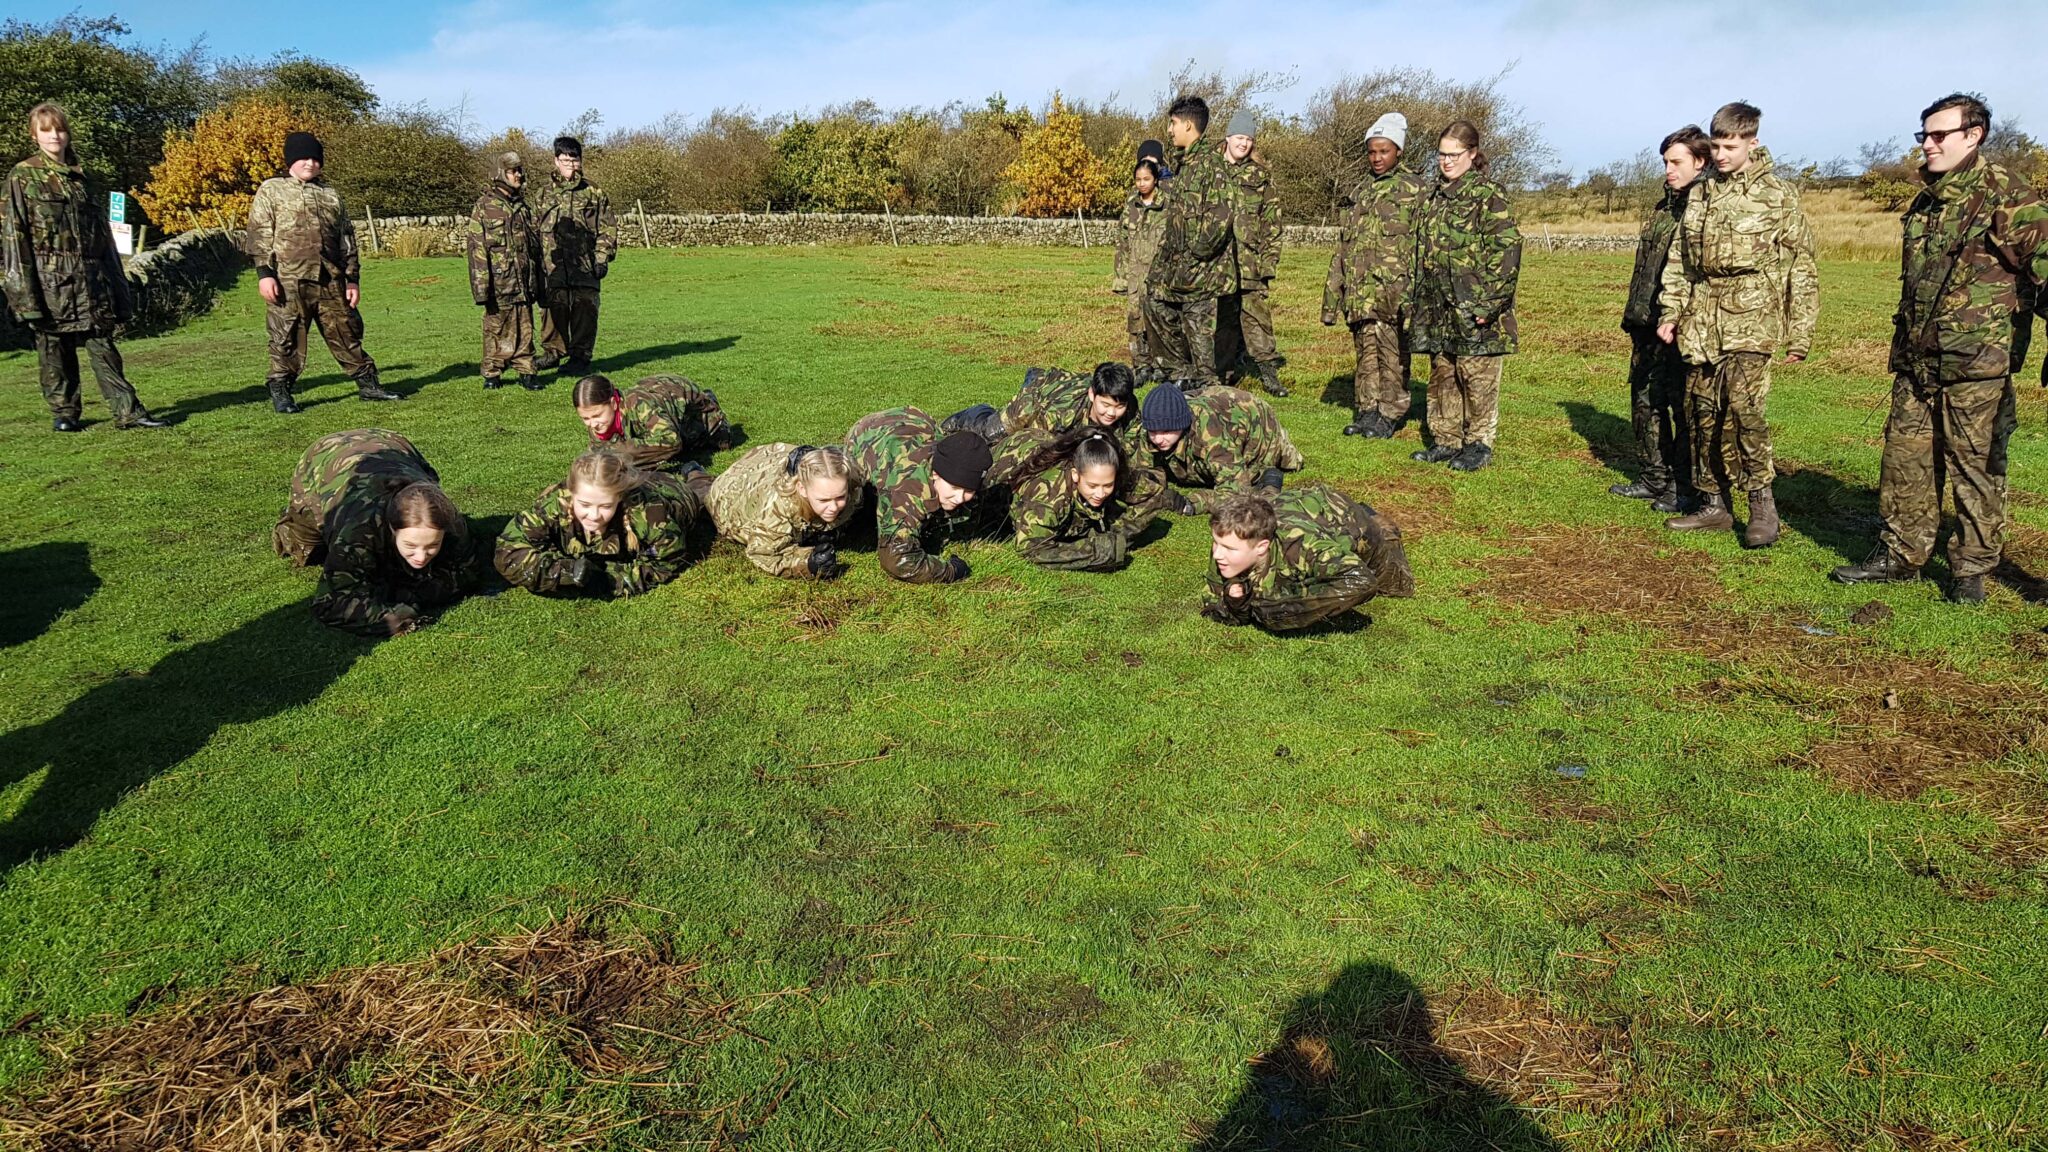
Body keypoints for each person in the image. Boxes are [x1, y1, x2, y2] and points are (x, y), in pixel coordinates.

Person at [1833, 93, 2048, 603]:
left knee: (1976, 470)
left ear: (1973, 135)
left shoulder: (2010, 196)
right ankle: (1900, 554)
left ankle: (1971, 570)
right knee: (1904, 462)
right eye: (1923, 135)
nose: (1926, 145)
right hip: (1917, 360)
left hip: (1977, 364)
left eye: (1938, 135)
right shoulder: (1928, 200)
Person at [1657, 102, 1819, 547]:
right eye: (1716, 146)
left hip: (1752, 319)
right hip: (1701, 321)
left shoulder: (1778, 195)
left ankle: (1762, 506)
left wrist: (1800, 332)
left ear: (1753, 142)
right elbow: (1682, 261)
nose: (1721, 155)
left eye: (1731, 146)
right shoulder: (1701, 194)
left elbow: (1801, 266)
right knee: (1702, 414)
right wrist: (1671, 312)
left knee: (1746, 415)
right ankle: (1713, 504)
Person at [2, 102, 166, 432]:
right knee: (54, 349)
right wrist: (24, 296)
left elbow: (104, 238)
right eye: (46, 130)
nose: (54, 136)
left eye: (59, 129)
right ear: (34, 135)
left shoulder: (82, 179)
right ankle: (64, 412)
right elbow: (12, 237)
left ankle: (128, 411)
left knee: (103, 347)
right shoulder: (22, 176)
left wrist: (118, 287)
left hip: (92, 281)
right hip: (50, 282)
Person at [246, 131, 399, 413]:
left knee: (346, 330)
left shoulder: (331, 195)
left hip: (330, 278)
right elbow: (259, 233)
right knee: (285, 335)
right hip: (288, 278)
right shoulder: (272, 190)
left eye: (316, 159)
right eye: (304, 157)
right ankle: (281, 391)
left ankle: (369, 385)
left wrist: (352, 279)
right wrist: (265, 273)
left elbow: (346, 239)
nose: (310, 163)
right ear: (291, 160)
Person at [273, 428, 471, 636]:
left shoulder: (450, 520)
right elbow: (331, 604)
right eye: (410, 545)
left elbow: (466, 572)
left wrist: (409, 593)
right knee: (309, 550)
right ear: (392, 528)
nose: (421, 557)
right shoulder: (358, 530)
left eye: (432, 545)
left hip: (391, 442)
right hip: (325, 456)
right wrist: (398, 616)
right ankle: (290, 523)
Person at [1410, 120, 1521, 474]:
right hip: (1437, 306)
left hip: (1476, 306)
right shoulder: (1433, 197)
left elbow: (1507, 250)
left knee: (1477, 375)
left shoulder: (1488, 195)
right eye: (1442, 154)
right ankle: (1446, 440)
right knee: (1443, 373)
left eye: (1454, 155)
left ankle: (1478, 444)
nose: (1446, 161)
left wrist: (1490, 303)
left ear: (1472, 154)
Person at [1614, 126, 1710, 513]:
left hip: (1680, 325)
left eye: (1676, 162)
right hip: (1646, 321)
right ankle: (1654, 476)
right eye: (1665, 162)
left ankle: (1683, 486)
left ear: (1700, 162)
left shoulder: (1705, 208)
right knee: (1645, 401)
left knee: (1681, 408)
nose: (1669, 170)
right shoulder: (1663, 208)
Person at [1324, 112, 1423, 440]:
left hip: (1394, 292)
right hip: (1360, 290)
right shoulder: (1361, 190)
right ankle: (1367, 410)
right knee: (1365, 353)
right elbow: (1344, 245)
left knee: (1391, 355)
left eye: (1384, 151)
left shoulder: (1416, 189)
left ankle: (1390, 413)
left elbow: (1424, 244)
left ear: (1399, 151)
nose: (1377, 157)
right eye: (1372, 151)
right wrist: (1333, 295)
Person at [1203, 486, 1413, 632]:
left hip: (1346, 518)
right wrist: (1236, 603)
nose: (1217, 554)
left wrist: (1278, 612)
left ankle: (1378, 521)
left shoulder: (1303, 546)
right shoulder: (1228, 542)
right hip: (1295, 508)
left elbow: (1361, 581)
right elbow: (1213, 605)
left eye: (1228, 548)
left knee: (1398, 586)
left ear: (1261, 547)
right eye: (1216, 543)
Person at [495, 449, 702, 597]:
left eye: (605, 506)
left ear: (619, 498)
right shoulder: (554, 505)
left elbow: (666, 562)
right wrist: (564, 572)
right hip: (636, 480)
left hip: (674, 492)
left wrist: (606, 581)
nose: (594, 516)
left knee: (703, 496)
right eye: (584, 504)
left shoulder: (650, 514)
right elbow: (508, 551)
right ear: (571, 492)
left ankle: (696, 473)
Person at [1143, 95, 1238, 389]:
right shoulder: (1186, 165)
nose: (1169, 130)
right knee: (1154, 303)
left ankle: (1209, 395)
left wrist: (1196, 256)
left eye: (1172, 123)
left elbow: (1221, 217)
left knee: (1201, 345)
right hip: (1179, 269)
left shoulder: (1211, 165)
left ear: (1187, 125)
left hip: (1202, 274)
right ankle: (1181, 374)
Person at [844, 406, 993, 583]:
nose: (960, 498)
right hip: (867, 433)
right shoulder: (907, 488)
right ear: (935, 474)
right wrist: (951, 571)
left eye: (968, 491)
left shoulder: (958, 467)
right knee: (859, 506)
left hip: (916, 421)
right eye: (954, 487)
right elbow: (898, 560)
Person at [1002, 426, 1178, 571]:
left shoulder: (1110, 469)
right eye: (1092, 486)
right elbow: (1030, 547)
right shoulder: (1049, 496)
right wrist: (1097, 551)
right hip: (1013, 452)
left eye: (1108, 485)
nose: (1100, 493)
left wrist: (1117, 535)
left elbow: (1154, 491)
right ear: (1075, 475)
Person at [1137, 382, 1303, 514]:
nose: (1158, 439)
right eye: (1153, 431)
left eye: (1166, 431)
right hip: (1212, 398)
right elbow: (1142, 471)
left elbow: (1235, 492)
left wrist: (1192, 503)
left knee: (1284, 463)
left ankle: (1270, 478)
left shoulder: (1212, 436)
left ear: (1182, 425)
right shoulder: (1149, 429)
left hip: (1256, 420)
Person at [707, 443, 864, 579]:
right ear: (802, 489)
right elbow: (763, 553)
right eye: (823, 500)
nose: (834, 507)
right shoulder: (779, 507)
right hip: (728, 494)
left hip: (771, 456)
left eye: (840, 497)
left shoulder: (851, 488)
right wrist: (809, 563)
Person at [1215, 110, 1287, 397]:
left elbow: (1272, 223)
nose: (1244, 144)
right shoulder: (1210, 170)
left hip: (1250, 262)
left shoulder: (1260, 176)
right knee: (1221, 320)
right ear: (1228, 137)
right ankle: (1221, 373)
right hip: (1217, 263)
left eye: (1248, 139)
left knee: (1257, 318)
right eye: (1239, 137)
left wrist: (1268, 262)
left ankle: (1269, 374)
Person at [534, 135, 616, 375]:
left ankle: (580, 357)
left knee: (585, 310)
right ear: (556, 161)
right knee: (552, 310)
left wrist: (601, 257)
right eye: (565, 159)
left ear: (580, 161)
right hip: (553, 267)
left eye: (574, 159)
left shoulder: (594, 192)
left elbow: (608, 228)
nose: (570, 164)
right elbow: (534, 231)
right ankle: (553, 353)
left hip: (585, 265)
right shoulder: (542, 194)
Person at [467, 151, 542, 390]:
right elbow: (477, 250)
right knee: (495, 328)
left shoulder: (522, 207)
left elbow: (534, 248)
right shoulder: (484, 207)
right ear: (500, 174)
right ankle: (492, 374)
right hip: (498, 282)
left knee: (525, 326)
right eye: (513, 171)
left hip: (523, 280)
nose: (518, 175)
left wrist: (538, 281)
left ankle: (527, 372)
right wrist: (481, 289)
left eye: (520, 170)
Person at [572, 373, 736, 471]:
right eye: (585, 418)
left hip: (692, 410)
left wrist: (621, 451)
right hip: (663, 403)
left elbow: (671, 441)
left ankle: (709, 402)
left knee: (721, 441)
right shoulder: (598, 421)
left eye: (597, 415)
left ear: (614, 403)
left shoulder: (640, 406)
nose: (592, 424)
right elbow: (600, 455)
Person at [1113, 142, 1169, 382]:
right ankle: (1141, 365)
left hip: (1159, 275)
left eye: (1146, 179)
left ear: (1156, 178)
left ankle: (1161, 365)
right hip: (1136, 274)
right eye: (1138, 179)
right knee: (1135, 321)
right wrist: (1121, 277)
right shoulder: (1131, 206)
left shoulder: (1168, 204)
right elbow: (1123, 243)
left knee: (1159, 320)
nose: (1142, 183)